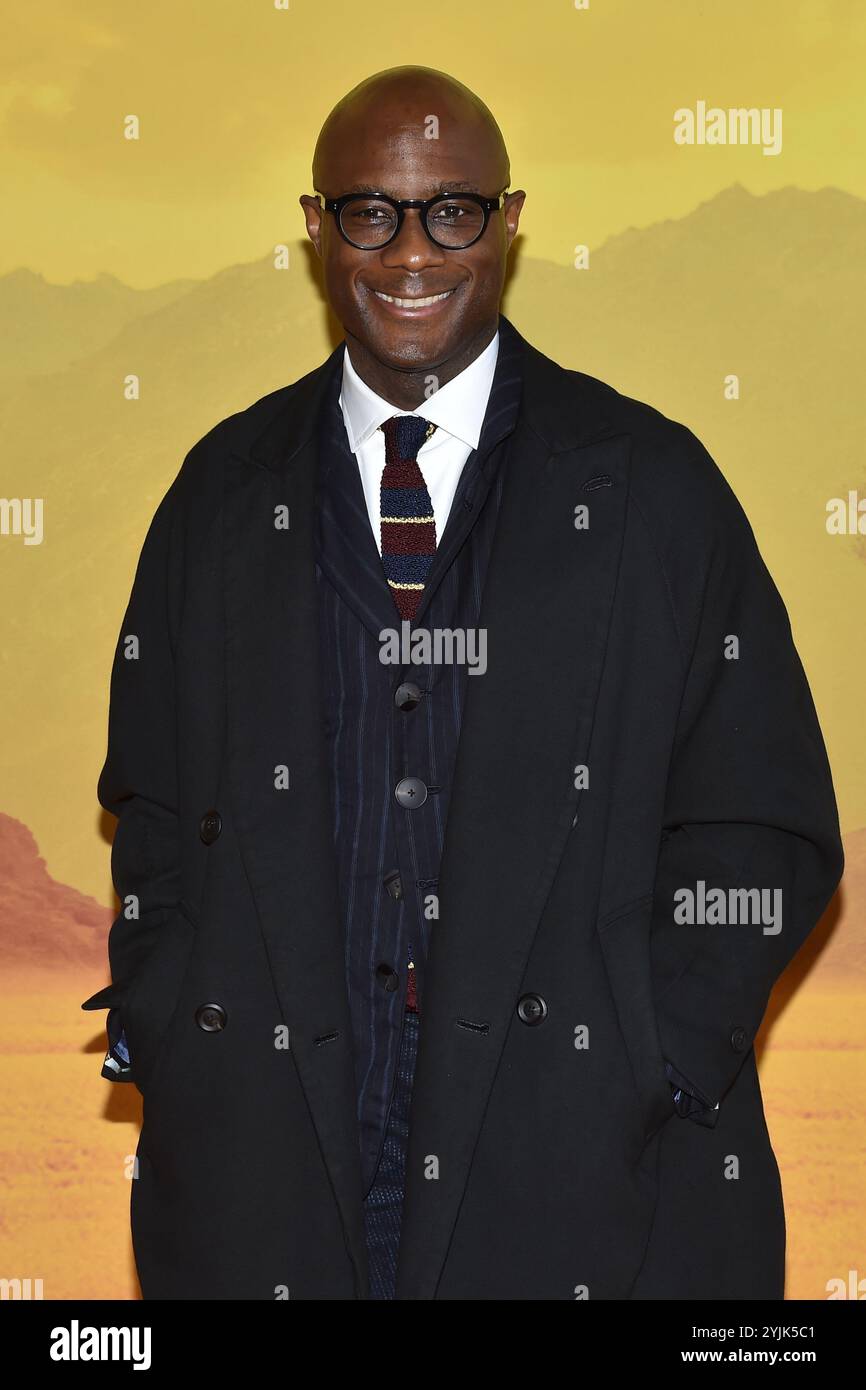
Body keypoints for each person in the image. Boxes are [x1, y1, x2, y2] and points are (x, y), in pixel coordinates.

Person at [82, 65, 844, 1300]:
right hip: (275, 1183)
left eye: (452, 211)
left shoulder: (651, 491)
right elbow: (154, 804)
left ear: (507, 224)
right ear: (318, 230)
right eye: (371, 212)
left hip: (578, 1184)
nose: (410, 252)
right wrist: (175, 1020)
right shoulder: (220, 499)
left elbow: (762, 824)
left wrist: (650, 1054)